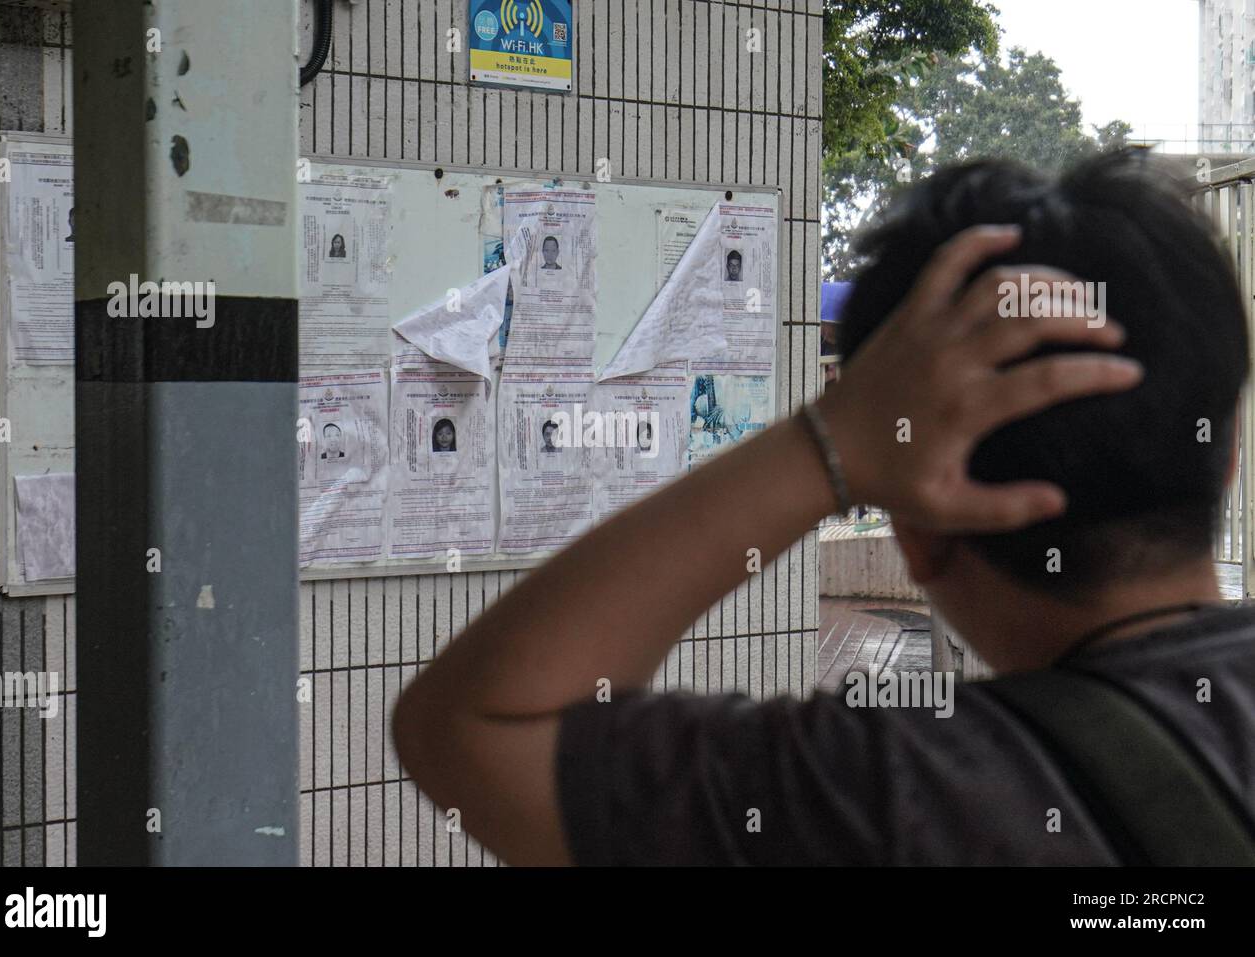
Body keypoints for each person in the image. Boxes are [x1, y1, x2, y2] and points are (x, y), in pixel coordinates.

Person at [392, 151, 1253, 865]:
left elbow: (468, 723)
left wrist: (831, 445)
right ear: (1225, 463)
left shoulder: (886, 797)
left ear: (916, 528)